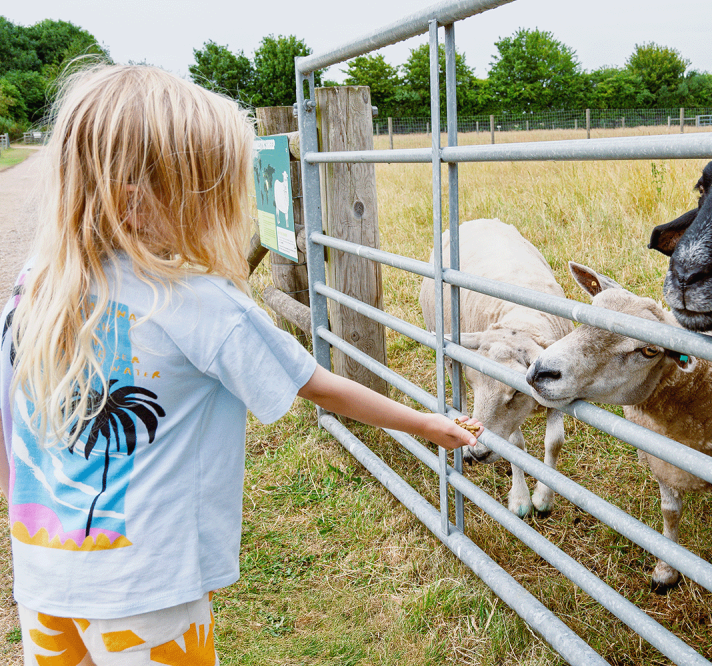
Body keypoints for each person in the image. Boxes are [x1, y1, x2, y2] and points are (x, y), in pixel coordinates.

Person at [0, 64, 481, 665]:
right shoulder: (196, 301)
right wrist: (426, 423)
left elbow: (11, 424)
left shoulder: (35, 287)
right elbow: (319, 386)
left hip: (44, 580)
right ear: (140, 198)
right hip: (149, 592)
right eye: (208, 188)